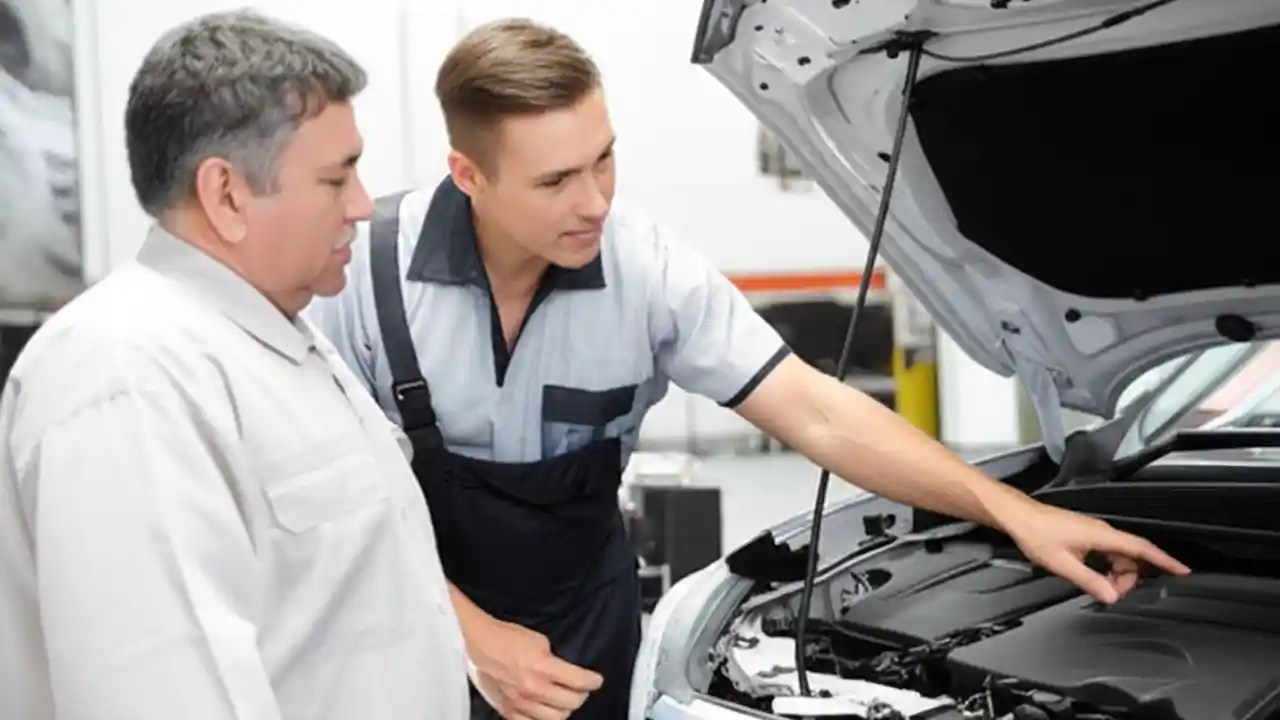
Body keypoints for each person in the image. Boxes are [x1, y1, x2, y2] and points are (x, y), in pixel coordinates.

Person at [306, 17, 1191, 720]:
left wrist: (1018, 513)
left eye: (605, 158)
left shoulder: (645, 270)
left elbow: (816, 412)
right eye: (555, 181)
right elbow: (335, 507)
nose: (595, 201)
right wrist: (466, 636)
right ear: (469, 174)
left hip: (582, 618)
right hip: (414, 621)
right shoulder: (361, 279)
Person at [0, 11, 471, 720]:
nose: (363, 205)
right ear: (226, 195)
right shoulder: (129, 373)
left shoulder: (278, 341)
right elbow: (156, 694)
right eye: (336, 177)